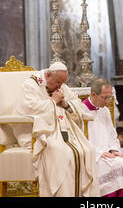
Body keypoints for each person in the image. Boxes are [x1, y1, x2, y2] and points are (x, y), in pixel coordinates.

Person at [13, 61, 99, 197]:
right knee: (61, 152)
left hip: (63, 131)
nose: (60, 87)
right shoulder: (30, 85)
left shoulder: (60, 85)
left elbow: (77, 103)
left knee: (88, 150)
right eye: (57, 83)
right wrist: (52, 101)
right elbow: (30, 109)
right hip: (40, 133)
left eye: (62, 83)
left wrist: (65, 104)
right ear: (47, 75)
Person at [82, 78, 123, 197]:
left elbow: (112, 134)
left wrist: (114, 149)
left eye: (109, 97)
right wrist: (99, 153)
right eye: (104, 97)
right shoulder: (80, 110)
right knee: (113, 167)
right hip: (93, 155)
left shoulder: (105, 111)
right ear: (94, 94)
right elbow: (80, 139)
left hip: (108, 152)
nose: (108, 101)